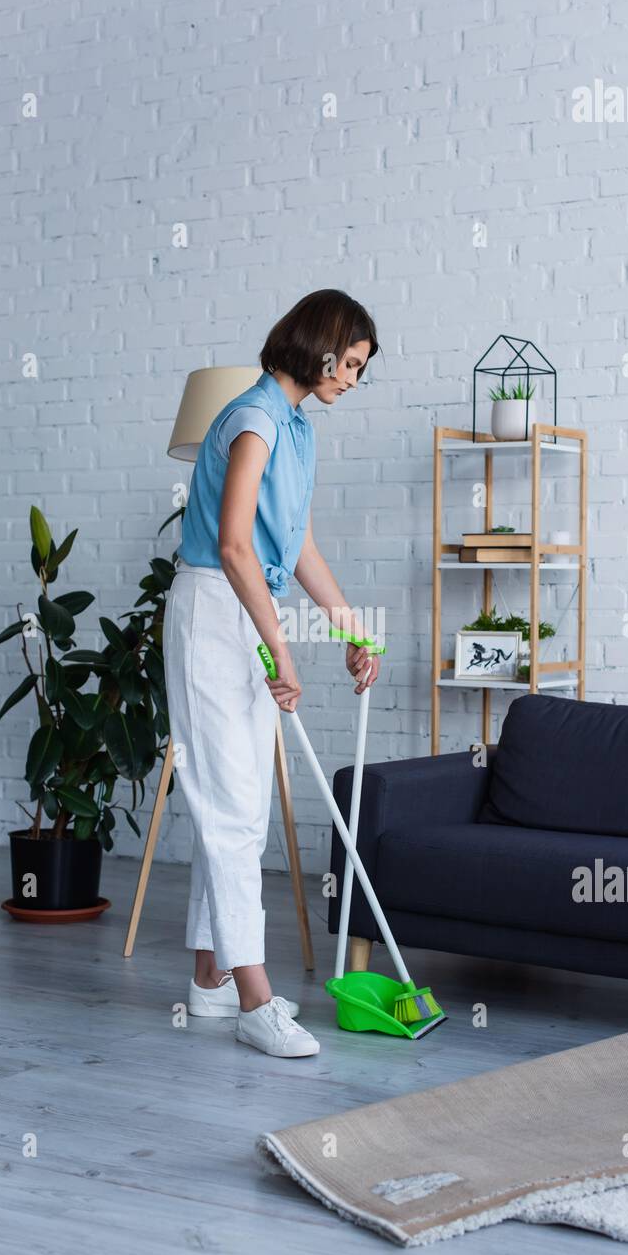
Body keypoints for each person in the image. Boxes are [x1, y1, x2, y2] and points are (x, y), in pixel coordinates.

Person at [162, 289, 382, 1057]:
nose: (352, 379)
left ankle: (210, 982)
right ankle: (257, 1001)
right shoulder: (252, 420)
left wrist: (352, 628)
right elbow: (231, 546)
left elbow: (298, 546)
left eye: (360, 369)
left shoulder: (298, 430)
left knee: (241, 805)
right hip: (213, 612)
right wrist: (279, 647)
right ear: (319, 347)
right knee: (228, 810)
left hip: (250, 609)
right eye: (348, 363)